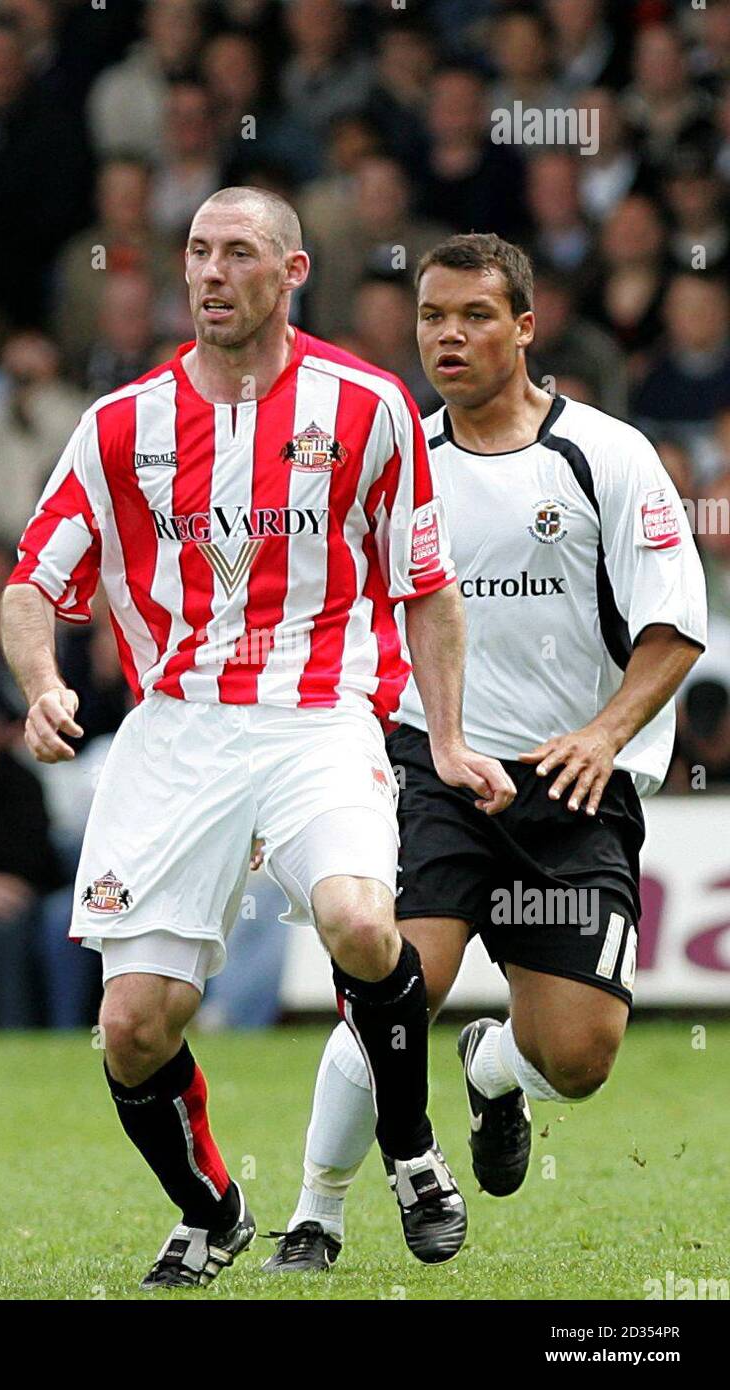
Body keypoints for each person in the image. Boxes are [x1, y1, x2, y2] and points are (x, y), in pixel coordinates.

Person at [0, 187, 514, 1289]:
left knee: (359, 918)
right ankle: (213, 1205)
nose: (210, 273)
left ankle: (412, 1148)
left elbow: (427, 587)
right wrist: (41, 682)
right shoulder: (119, 426)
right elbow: (32, 582)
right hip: (176, 732)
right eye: (196, 253)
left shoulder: (369, 408)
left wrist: (455, 740)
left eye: (238, 253)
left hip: (319, 715)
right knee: (134, 1026)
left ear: (291, 274)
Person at [265, 233, 707, 1274]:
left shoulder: (606, 455)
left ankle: (493, 1066)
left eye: (473, 316)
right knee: (392, 977)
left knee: (580, 1058)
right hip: (438, 772)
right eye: (431, 317)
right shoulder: (397, 465)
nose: (448, 336)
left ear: (525, 325)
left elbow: (675, 626)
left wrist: (602, 736)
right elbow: (336, 633)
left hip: (575, 785)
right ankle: (315, 1214)